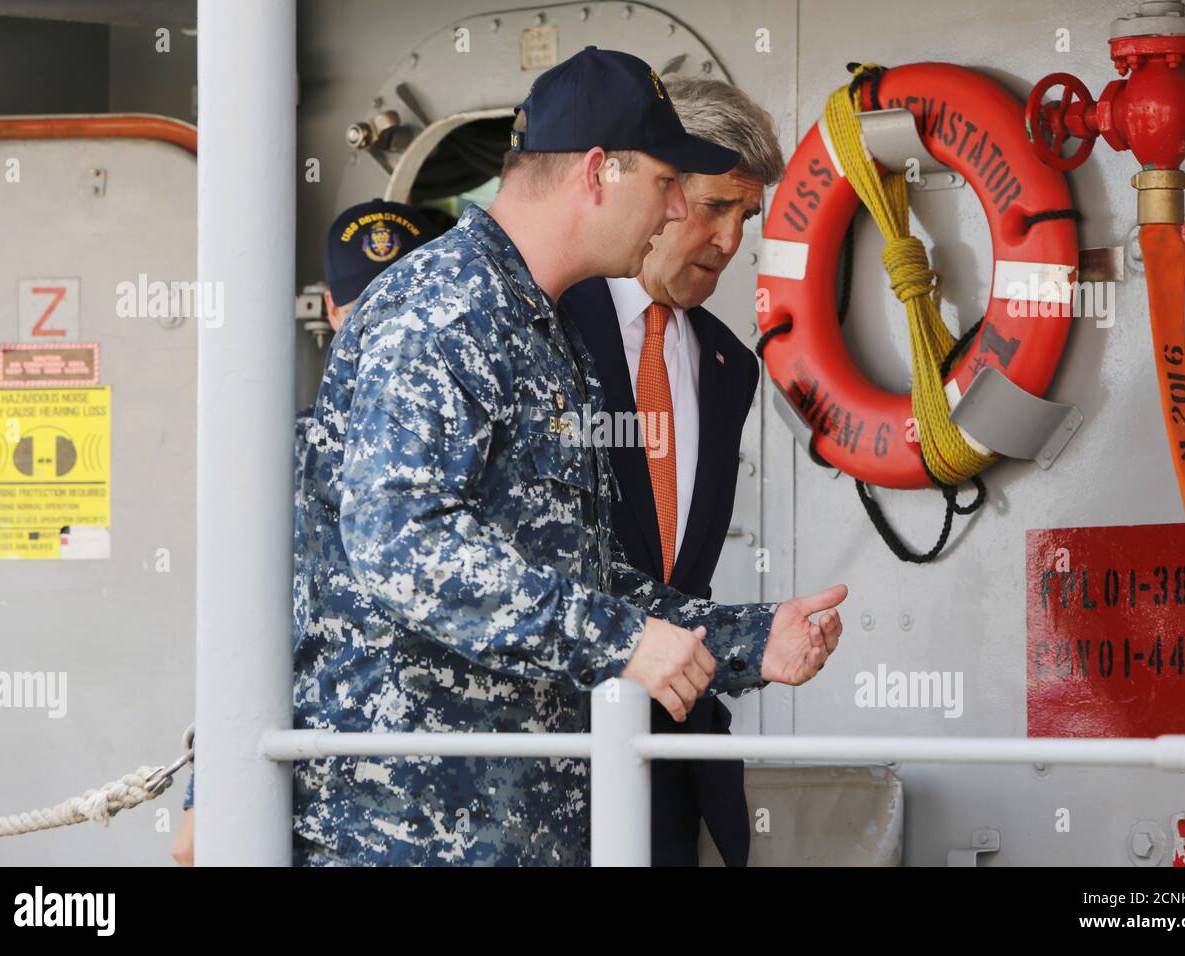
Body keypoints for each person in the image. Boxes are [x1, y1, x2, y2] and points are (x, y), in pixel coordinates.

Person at [292, 45, 848, 866]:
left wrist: (745, 639)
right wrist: (621, 639)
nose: (672, 217)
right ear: (600, 173)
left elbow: (583, 572)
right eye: (667, 186)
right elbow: (403, 544)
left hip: (530, 824)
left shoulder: (545, 333)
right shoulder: (441, 309)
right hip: (406, 828)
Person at [560, 76, 783, 867]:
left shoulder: (730, 367)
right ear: (658, 189)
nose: (730, 241)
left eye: (745, 217)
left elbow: (675, 582)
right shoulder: (546, 328)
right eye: (716, 207)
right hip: (550, 772)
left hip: (676, 771)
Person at [170, 199, 434, 867]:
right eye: (362, 304)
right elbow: (254, 630)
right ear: (333, 311)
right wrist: (210, 793)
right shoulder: (287, 456)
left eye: (401, 300)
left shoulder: (482, 446)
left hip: (469, 806)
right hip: (336, 814)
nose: (382, 323)